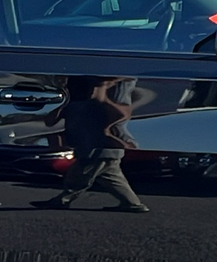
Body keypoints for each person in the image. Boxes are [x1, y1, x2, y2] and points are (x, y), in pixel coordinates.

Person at [32, 75, 149, 213]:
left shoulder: (98, 104)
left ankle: (63, 200)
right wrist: (63, 104)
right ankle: (133, 203)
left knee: (78, 176)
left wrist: (108, 128)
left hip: (99, 149)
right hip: (96, 148)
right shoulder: (73, 106)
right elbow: (50, 121)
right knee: (113, 178)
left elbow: (122, 114)